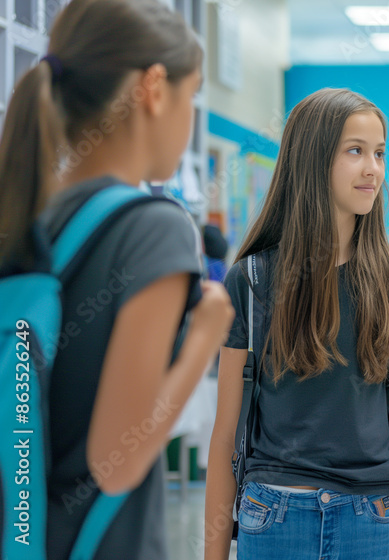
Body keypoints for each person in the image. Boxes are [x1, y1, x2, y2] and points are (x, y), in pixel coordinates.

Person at [0, 1, 234, 558]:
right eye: (192, 96)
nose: (189, 121)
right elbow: (118, 459)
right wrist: (204, 339)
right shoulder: (153, 228)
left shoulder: (33, 217)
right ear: (154, 88)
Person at [204, 89, 389, 560]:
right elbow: (225, 431)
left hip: (373, 517)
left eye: (379, 153)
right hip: (272, 517)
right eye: (355, 151)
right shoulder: (250, 279)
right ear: (311, 158)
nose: (373, 168)